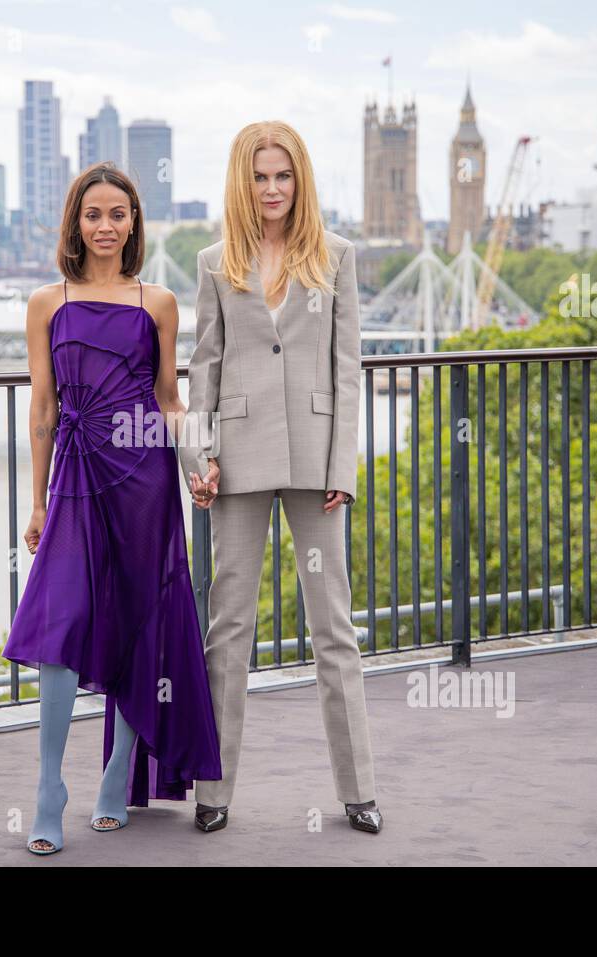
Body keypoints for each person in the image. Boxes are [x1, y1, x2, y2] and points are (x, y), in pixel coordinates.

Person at [2, 162, 222, 855]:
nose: (105, 226)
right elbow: (43, 408)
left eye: (117, 215)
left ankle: (116, 773)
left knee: (141, 623)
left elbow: (168, 400)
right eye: (93, 214)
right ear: (76, 223)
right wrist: (35, 501)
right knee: (60, 630)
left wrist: (198, 460)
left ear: (134, 225)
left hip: (145, 479)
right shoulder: (47, 301)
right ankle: (47, 786)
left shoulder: (156, 302)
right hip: (75, 478)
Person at [179, 121, 382, 835]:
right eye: (261, 176)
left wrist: (342, 467)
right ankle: (213, 790)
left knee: (334, 626)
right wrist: (197, 456)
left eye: (284, 175)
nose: (272, 188)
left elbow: (347, 369)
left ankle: (359, 789)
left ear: (301, 180)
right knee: (228, 626)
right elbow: (201, 370)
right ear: (244, 181)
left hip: (315, 462)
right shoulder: (213, 262)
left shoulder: (337, 258)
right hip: (233, 462)